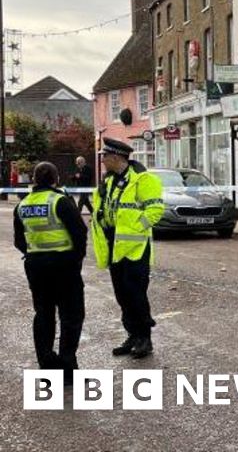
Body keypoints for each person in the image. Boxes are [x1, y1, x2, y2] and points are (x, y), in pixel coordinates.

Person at [14, 161, 88, 385]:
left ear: (34, 180)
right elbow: (80, 233)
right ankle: (67, 369)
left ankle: (47, 365)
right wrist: (76, 260)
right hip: (64, 266)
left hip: (36, 266)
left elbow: (19, 241)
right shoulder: (60, 201)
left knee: (43, 314)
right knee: (71, 316)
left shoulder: (23, 205)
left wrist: (35, 254)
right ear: (56, 179)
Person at [91, 138, 164, 359]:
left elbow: (155, 210)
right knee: (122, 295)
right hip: (114, 246)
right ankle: (132, 335)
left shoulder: (143, 179)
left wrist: (136, 227)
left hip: (135, 247)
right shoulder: (109, 181)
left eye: (105, 156)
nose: (102, 160)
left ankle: (144, 339)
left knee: (136, 294)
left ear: (116, 157)